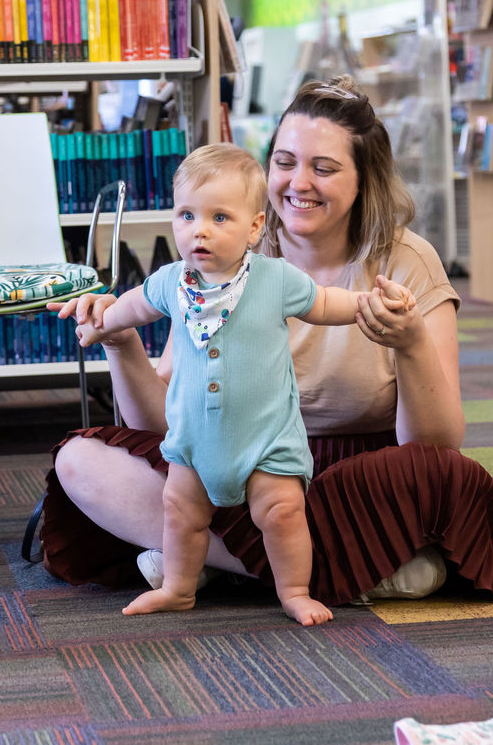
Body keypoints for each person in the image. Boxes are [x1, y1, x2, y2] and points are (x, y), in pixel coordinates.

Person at [37, 77, 493, 610]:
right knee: (80, 461)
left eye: (324, 168)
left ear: (364, 180)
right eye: (285, 162)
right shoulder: (218, 257)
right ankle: (328, 570)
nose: (299, 183)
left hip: (359, 479)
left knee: (441, 475)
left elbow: (436, 444)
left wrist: (411, 345)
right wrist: (120, 342)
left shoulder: (408, 262)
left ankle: (211, 561)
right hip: (229, 464)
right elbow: (161, 426)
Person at [51, 143, 412, 625]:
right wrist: (97, 321)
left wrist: (371, 303)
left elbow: (326, 303)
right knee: (180, 512)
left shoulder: (274, 278)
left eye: (219, 217)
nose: (199, 230)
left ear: (255, 227)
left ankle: (295, 592)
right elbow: (131, 307)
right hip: (194, 441)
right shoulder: (171, 282)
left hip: (267, 441)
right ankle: (178, 588)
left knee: (282, 513)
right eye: (186, 215)